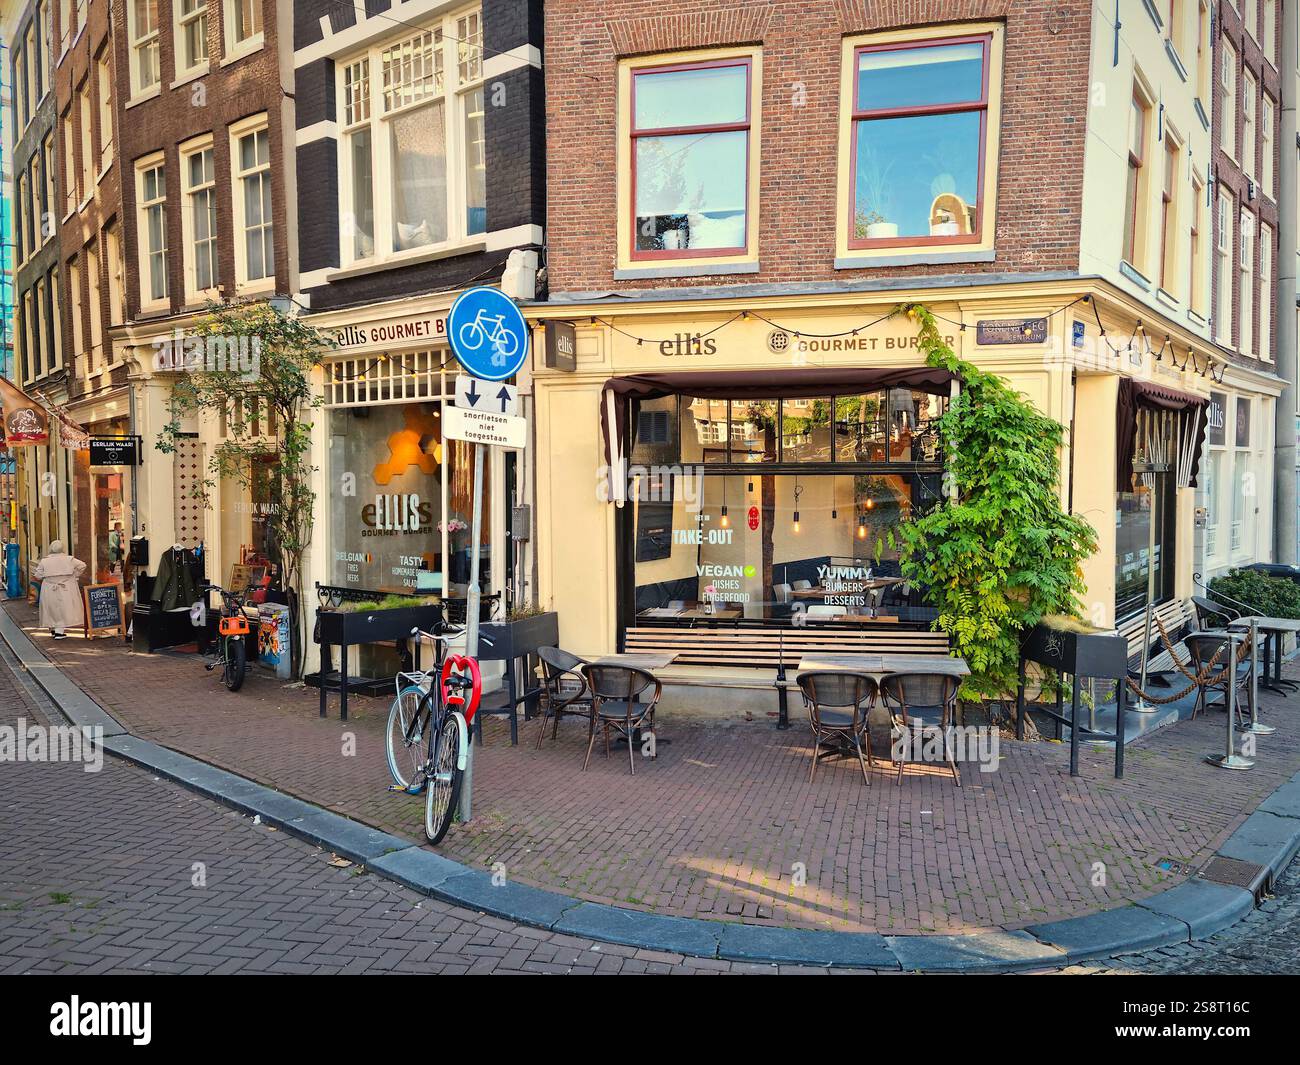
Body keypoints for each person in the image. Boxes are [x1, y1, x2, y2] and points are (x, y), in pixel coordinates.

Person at [33, 541, 87, 640]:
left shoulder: (44, 561)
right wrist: (74, 574)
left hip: (49, 587)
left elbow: (37, 575)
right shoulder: (69, 559)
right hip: (66, 587)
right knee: (64, 609)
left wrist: (47, 577)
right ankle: (59, 632)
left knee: (51, 608)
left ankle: (54, 628)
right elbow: (82, 565)